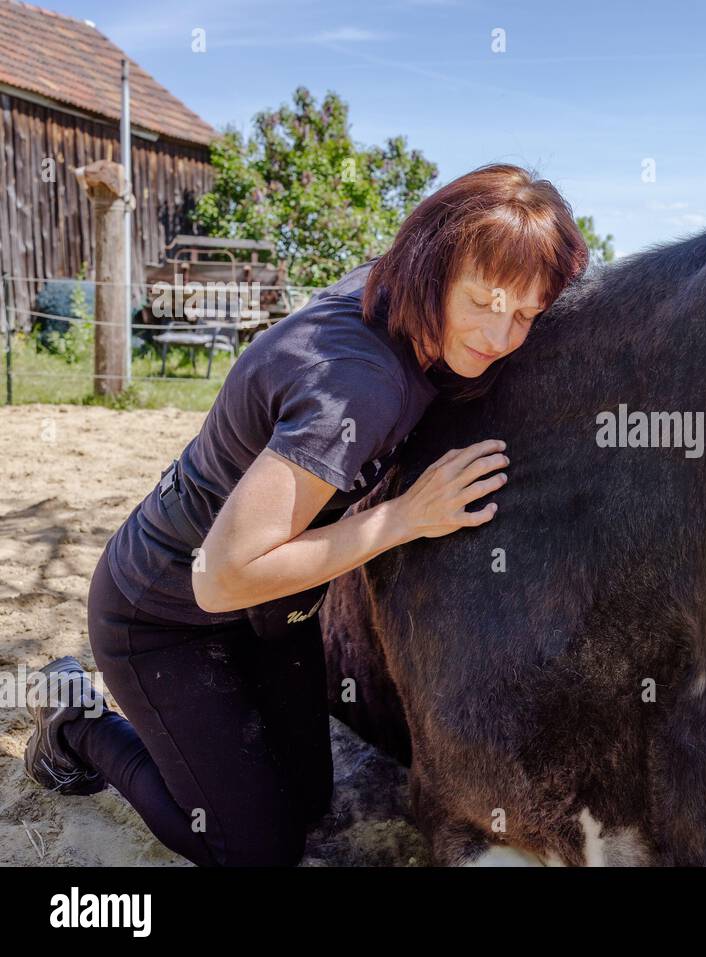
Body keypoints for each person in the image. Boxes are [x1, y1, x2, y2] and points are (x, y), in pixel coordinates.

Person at [24, 163, 589, 866]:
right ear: (435, 263)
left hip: (275, 607)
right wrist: (408, 517)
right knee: (251, 846)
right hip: (162, 613)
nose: (501, 335)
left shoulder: (398, 296)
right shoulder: (358, 387)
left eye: (527, 314)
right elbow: (221, 577)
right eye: (484, 300)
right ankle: (76, 721)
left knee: (311, 798)